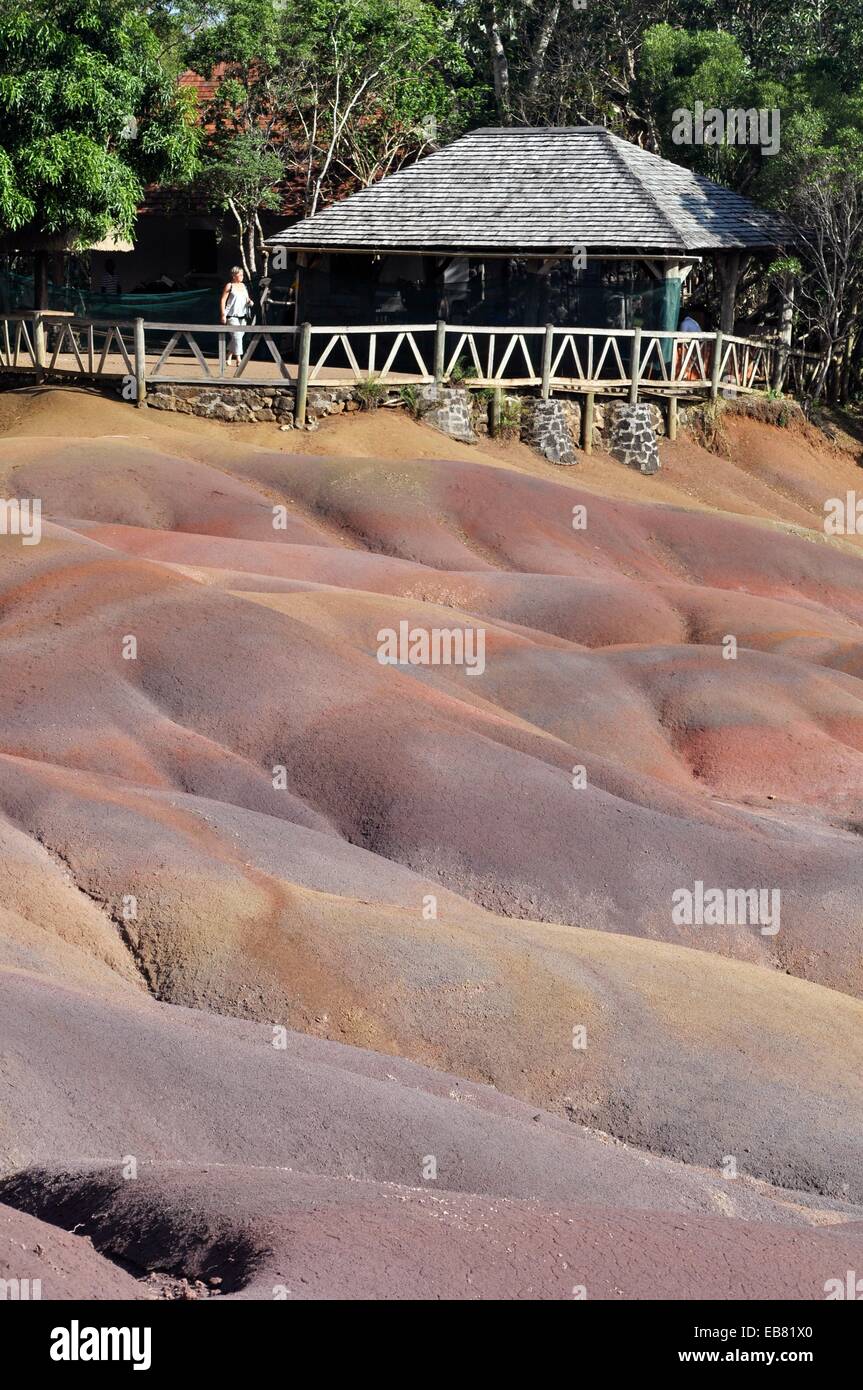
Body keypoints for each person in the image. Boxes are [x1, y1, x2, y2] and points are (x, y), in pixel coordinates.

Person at [220, 267, 252, 365]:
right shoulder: (229, 286)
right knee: (237, 337)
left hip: (243, 316)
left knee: (237, 338)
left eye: (243, 275)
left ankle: (229, 355)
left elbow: (247, 299)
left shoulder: (244, 286)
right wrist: (223, 315)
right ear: (234, 276)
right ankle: (239, 359)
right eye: (240, 275)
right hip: (232, 316)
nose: (242, 276)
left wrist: (250, 302)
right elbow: (223, 300)